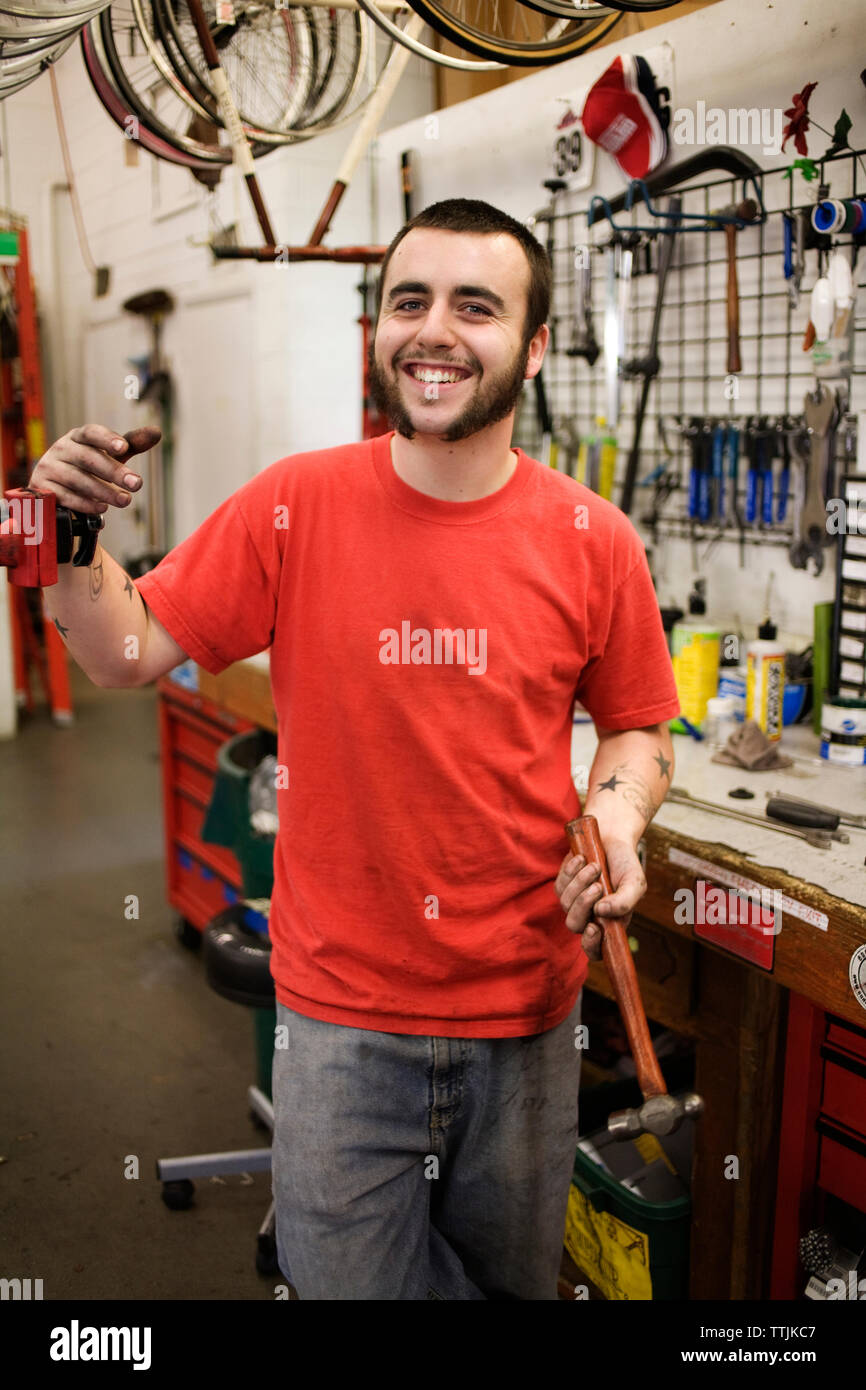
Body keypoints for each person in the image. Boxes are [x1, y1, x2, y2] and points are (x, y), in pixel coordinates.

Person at [30, 197, 680, 1300]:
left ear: (528, 349)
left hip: (525, 1013)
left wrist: (615, 815)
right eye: (407, 301)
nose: (432, 330)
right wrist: (69, 537)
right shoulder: (295, 506)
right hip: (338, 1019)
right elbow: (125, 650)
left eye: (473, 307)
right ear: (376, 330)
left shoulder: (592, 540)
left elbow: (638, 726)